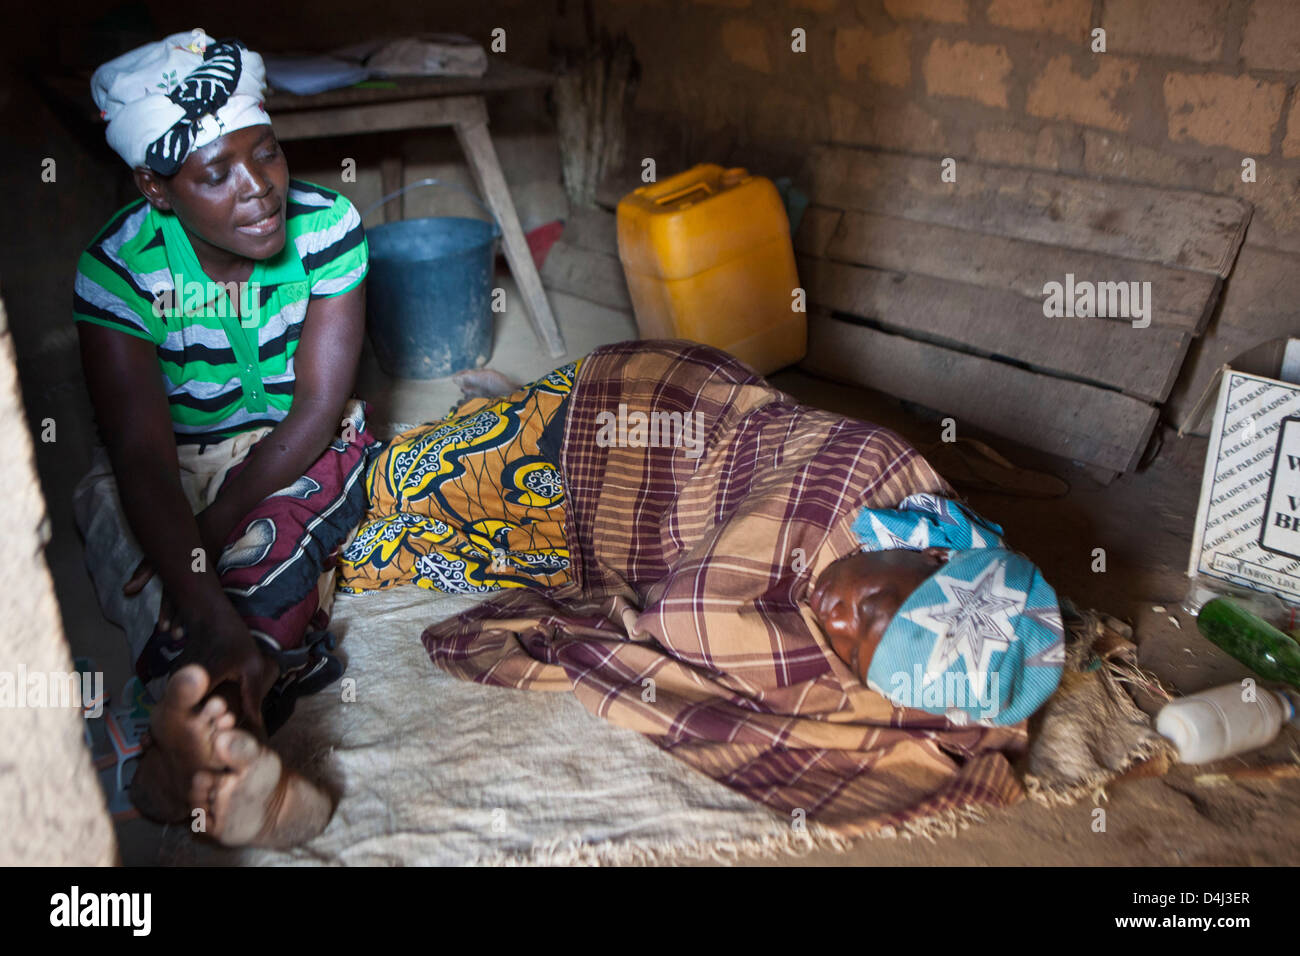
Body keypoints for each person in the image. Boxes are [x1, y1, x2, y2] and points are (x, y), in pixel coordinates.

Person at [72, 29, 377, 847]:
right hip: (168, 462)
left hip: (291, 446)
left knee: (259, 561)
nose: (260, 190)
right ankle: (219, 766)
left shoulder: (328, 228)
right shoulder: (119, 268)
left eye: (267, 155)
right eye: (217, 173)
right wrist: (190, 574)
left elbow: (316, 408)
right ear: (156, 188)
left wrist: (213, 534)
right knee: (137, 556)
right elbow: (140, 454)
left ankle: (187, 764)